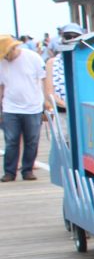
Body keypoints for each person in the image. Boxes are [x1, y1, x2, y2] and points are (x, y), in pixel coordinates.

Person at [0, 33, 51, 181]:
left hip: (33, 106)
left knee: (32, 140)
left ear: (13, 49)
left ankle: (27, 170)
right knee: (11, 140)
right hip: (10, 107)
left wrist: (47, 101)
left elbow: (43, 79)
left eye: (6, 54)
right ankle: (9, 172)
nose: (6, 57)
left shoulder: (32, 57)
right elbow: (1, 86)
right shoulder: (2, 63)